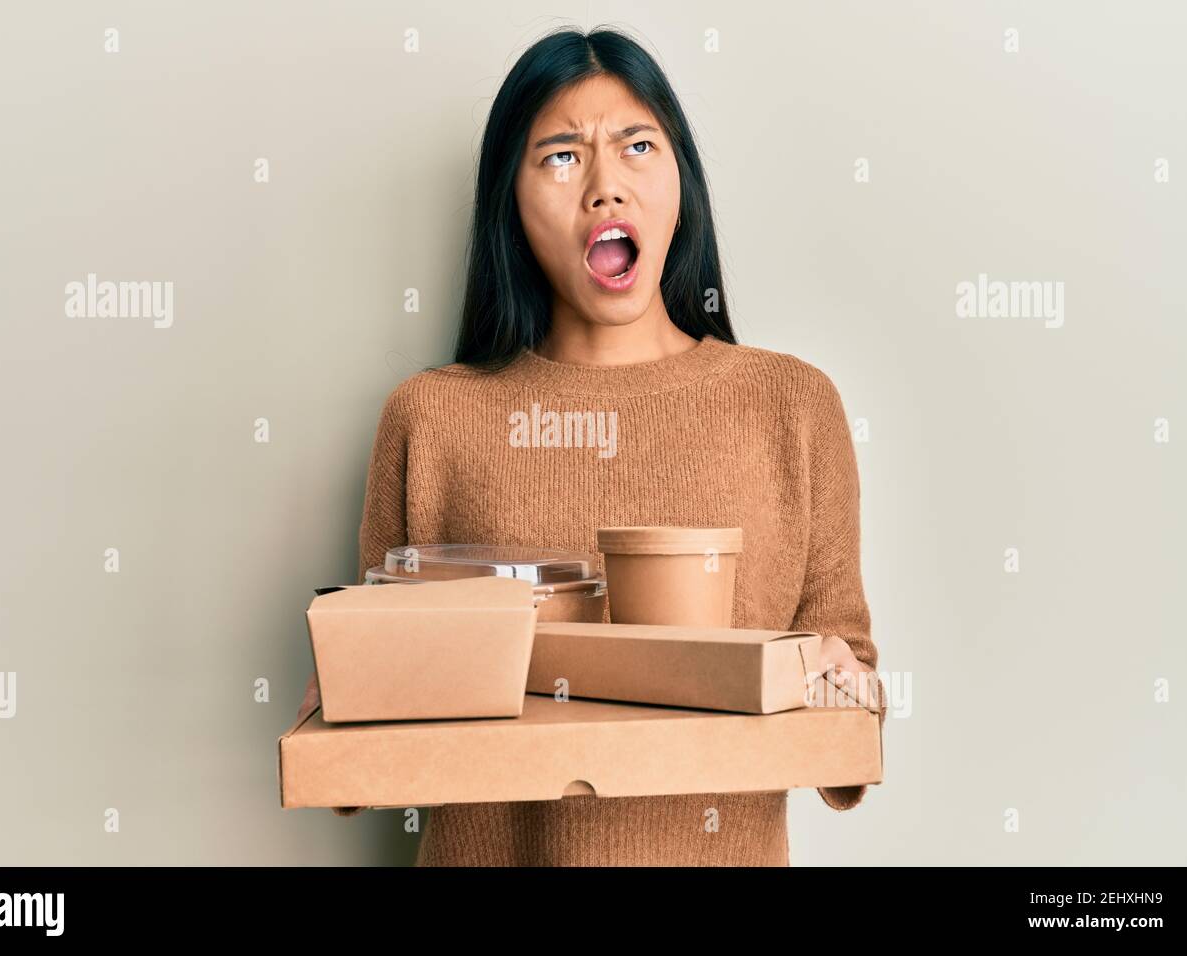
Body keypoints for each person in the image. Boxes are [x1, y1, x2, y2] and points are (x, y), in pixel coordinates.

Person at [295, 25, 885, 866]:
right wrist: (347, 692)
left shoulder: (792, 407)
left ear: (682, 181)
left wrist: (837, 680)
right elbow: (364, 745)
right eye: (562, 156)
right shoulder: (428, 420)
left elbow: (849, 697)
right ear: (510, 200)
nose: (606, 188)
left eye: (638, 146)